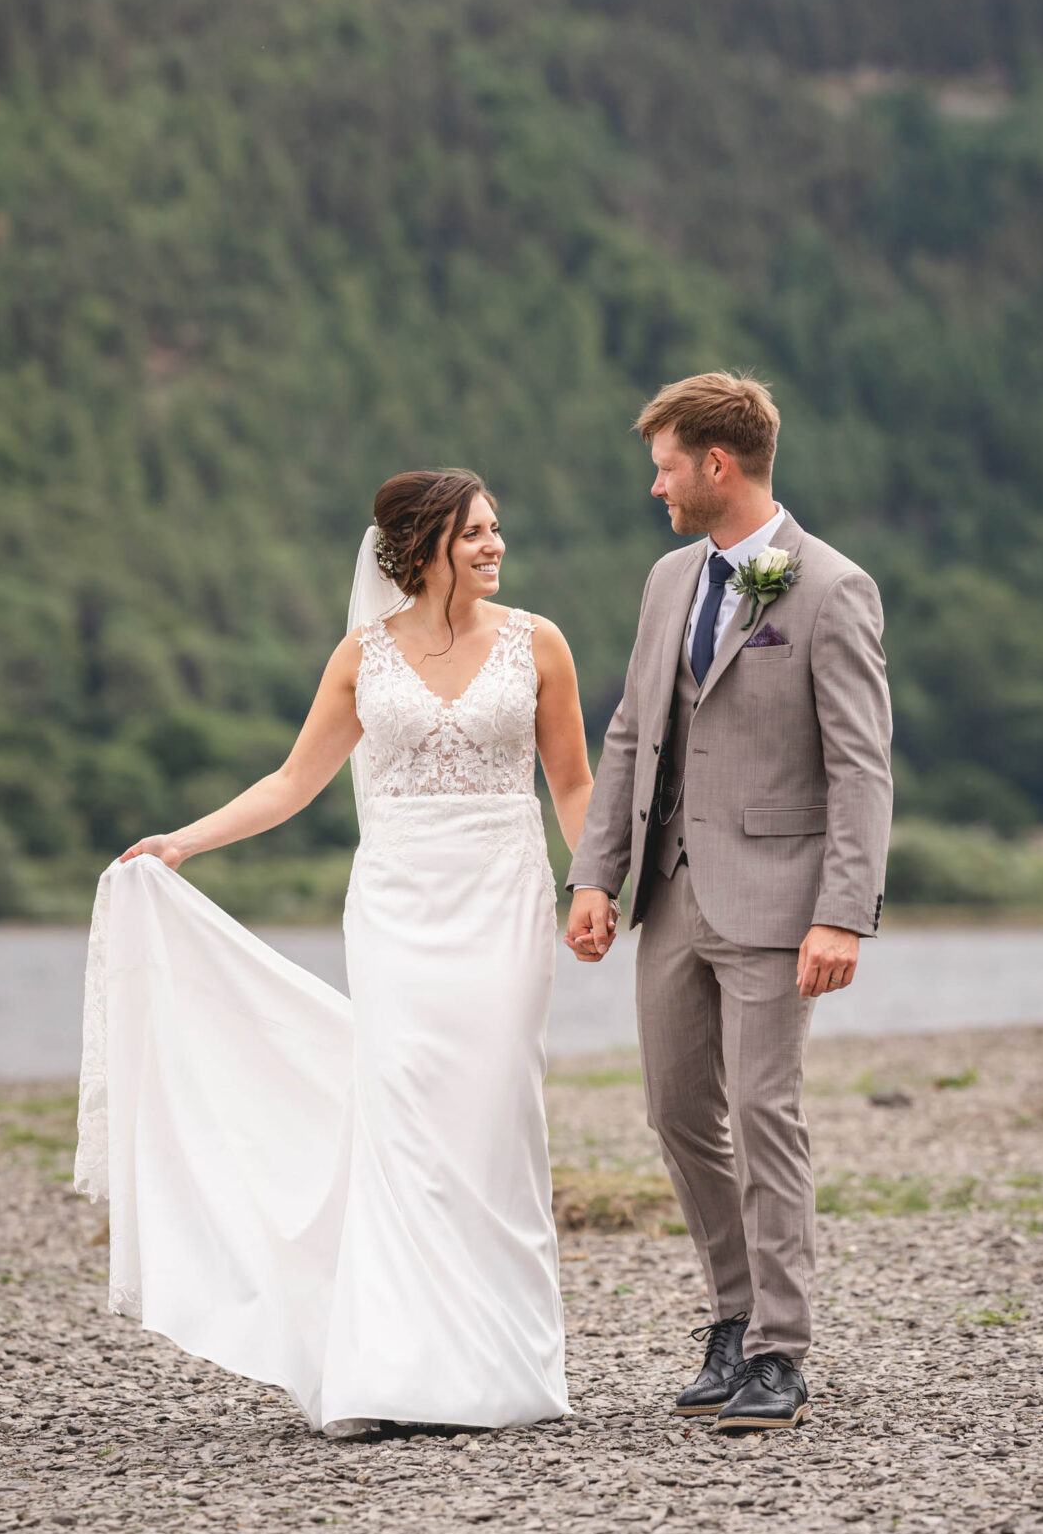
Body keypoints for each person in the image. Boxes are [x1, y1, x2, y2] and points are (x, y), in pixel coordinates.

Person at [75, 469, 593, 1436]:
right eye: (476, 533)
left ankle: (505, 1365)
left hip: (501, 899)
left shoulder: (538, 642)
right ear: (426, 544)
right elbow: (290, 780)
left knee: (490, 1115)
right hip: (397, 903)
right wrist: (183, 841)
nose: (495, 547)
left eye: (496, 532)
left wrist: (594, 883)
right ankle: (391, 1365)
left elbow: (571, 784)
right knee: (400, 1115)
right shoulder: (361, 656)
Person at [566, 373, 892, 1432]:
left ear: (718, 464)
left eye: (665, 463)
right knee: (675, 1111)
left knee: (764, 1114)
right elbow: (629, 734)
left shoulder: (833, 588)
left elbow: (861, 765)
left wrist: (842, 911)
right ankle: (733, 1313)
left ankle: (781, 1351)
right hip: (670, 897)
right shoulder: (668, 579)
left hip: (778, 903)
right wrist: (594, 874)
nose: (653, 482)